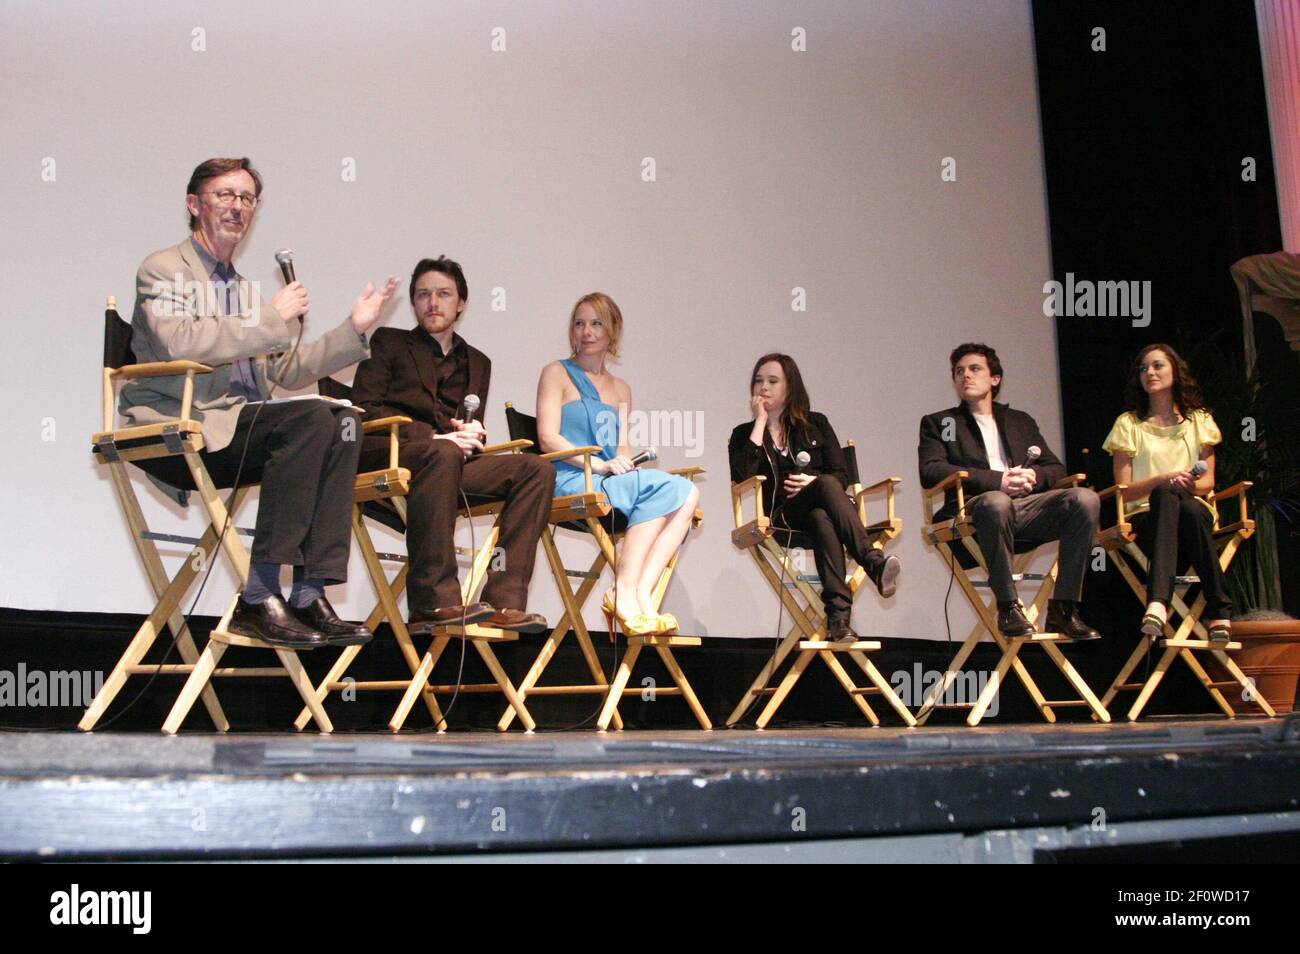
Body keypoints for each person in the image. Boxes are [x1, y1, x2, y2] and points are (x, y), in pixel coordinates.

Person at [122, 156, 399, 649]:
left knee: (343, 421)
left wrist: (354, 329)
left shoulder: (246, 293)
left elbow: (285, 372)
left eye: (247, 198)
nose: (238, 207)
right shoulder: (165, 268)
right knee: (315, 417)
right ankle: (260, 593)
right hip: (182, 426)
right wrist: (272, 318)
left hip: (239, 426)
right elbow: (180, 342)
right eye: (225, 195)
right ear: (194, 204)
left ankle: (310, 590)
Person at [351, 256, 555, 634]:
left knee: (537, 469)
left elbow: (466, 433)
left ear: (461, 302)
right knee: (443, 452)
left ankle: (502, 601)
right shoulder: (389, 342)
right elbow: (364, 413)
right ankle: (434, 602)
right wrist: (436, 437)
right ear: (413, 304)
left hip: (445, 467)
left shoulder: (478, 362)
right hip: (391, 453)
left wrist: (471, 435)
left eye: (443, 294)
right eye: (423, 295)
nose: (432, 302)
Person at [535, 292, 699, 636]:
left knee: (687, 492)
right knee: (666, 491)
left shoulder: (621, 388)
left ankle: (641, 592)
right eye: (579, 324)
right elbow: (548, 438)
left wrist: (625, 464)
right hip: (571, 478)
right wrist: (597, 465)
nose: (586, 331)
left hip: (609, 479)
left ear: (613, 331)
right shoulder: (556, 373)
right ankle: (624, 591)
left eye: (596, 324)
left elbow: (621, 449)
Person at [917, 343, 1102, 639]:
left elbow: (1056, 470)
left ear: (995, 379)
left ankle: (1064, 608)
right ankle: (1007, 605)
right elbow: (931, 471)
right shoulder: (942, 422)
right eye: (958, 371)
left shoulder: (1020, 421)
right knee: (997, 501)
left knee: (1085, 499)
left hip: (1025, 512)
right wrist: (998, 480)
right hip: (974, 513)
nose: (965, 376)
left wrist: (1034, 475)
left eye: (974, 369)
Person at [728, 353, 900, 643]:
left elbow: (841, 474)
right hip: (781, 515)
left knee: (821, 511)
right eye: (758, 381)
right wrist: (760, 422)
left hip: (822, 513)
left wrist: (815, 482)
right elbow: (742, 475)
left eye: (772, 381)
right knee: (826, 487)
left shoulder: (816, 423)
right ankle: (873, 561)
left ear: (790, 387)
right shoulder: (744, 433)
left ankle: (838, 620)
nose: (763, 387)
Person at [1102, 343, 1232, 640]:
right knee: (1164, 494)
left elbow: (1208, 482)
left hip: (1194, 511)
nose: (1150, 372)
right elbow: (1124, 491)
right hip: (1146, 519)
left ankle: (1158, 601)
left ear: (1176, 371)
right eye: (1143, 368)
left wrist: (1187, 484)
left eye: (1157, 365)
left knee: (1184, 504)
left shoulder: (1199, 420)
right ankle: (1219, 609)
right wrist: (1164, 479)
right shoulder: (1128, 424)